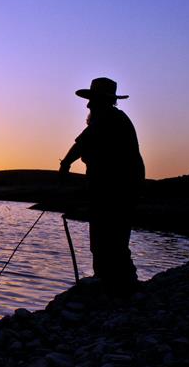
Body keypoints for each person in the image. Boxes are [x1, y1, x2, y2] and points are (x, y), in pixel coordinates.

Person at [59, 77, 145, 291]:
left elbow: (81, 145)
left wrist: (65, 166)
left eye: (92, 101)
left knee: (105, 234)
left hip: (115, 188)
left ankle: (111, 282)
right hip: (119, 186)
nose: (88, 105)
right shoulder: (112, 118)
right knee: (114, 234)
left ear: (102, 101)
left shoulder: (107, 118)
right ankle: (120, 281)